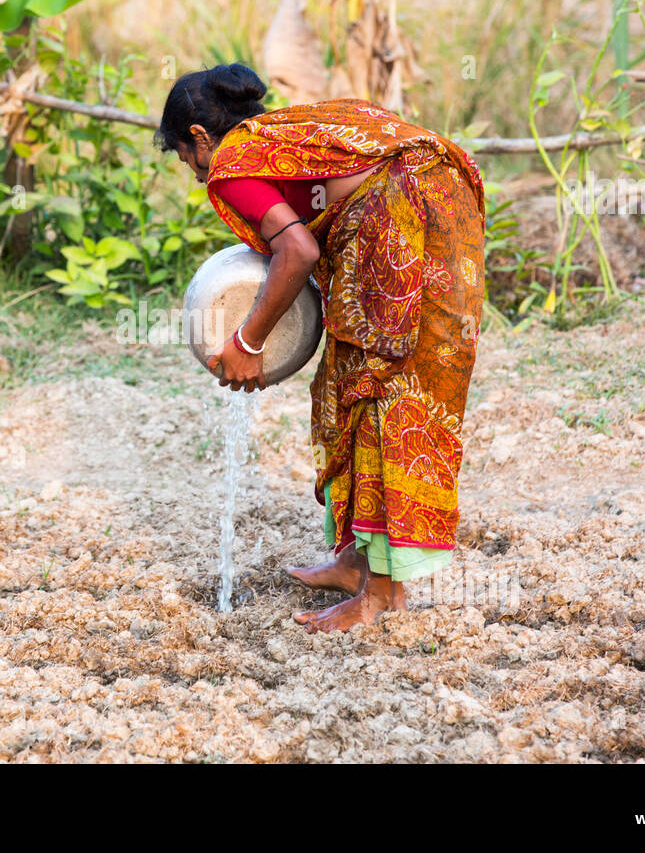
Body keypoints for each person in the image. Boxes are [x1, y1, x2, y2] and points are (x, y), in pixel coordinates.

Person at [156, 64, 486, 633]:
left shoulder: (235, 161)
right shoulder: (287, 133)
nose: (195, 174)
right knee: (346, 378)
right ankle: (360, 559)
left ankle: (382, 596)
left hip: (401, 222)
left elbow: (299, 252)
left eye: (188, 159)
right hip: (440, 205)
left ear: (201, 137)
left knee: (382, 388)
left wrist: (247, 341)